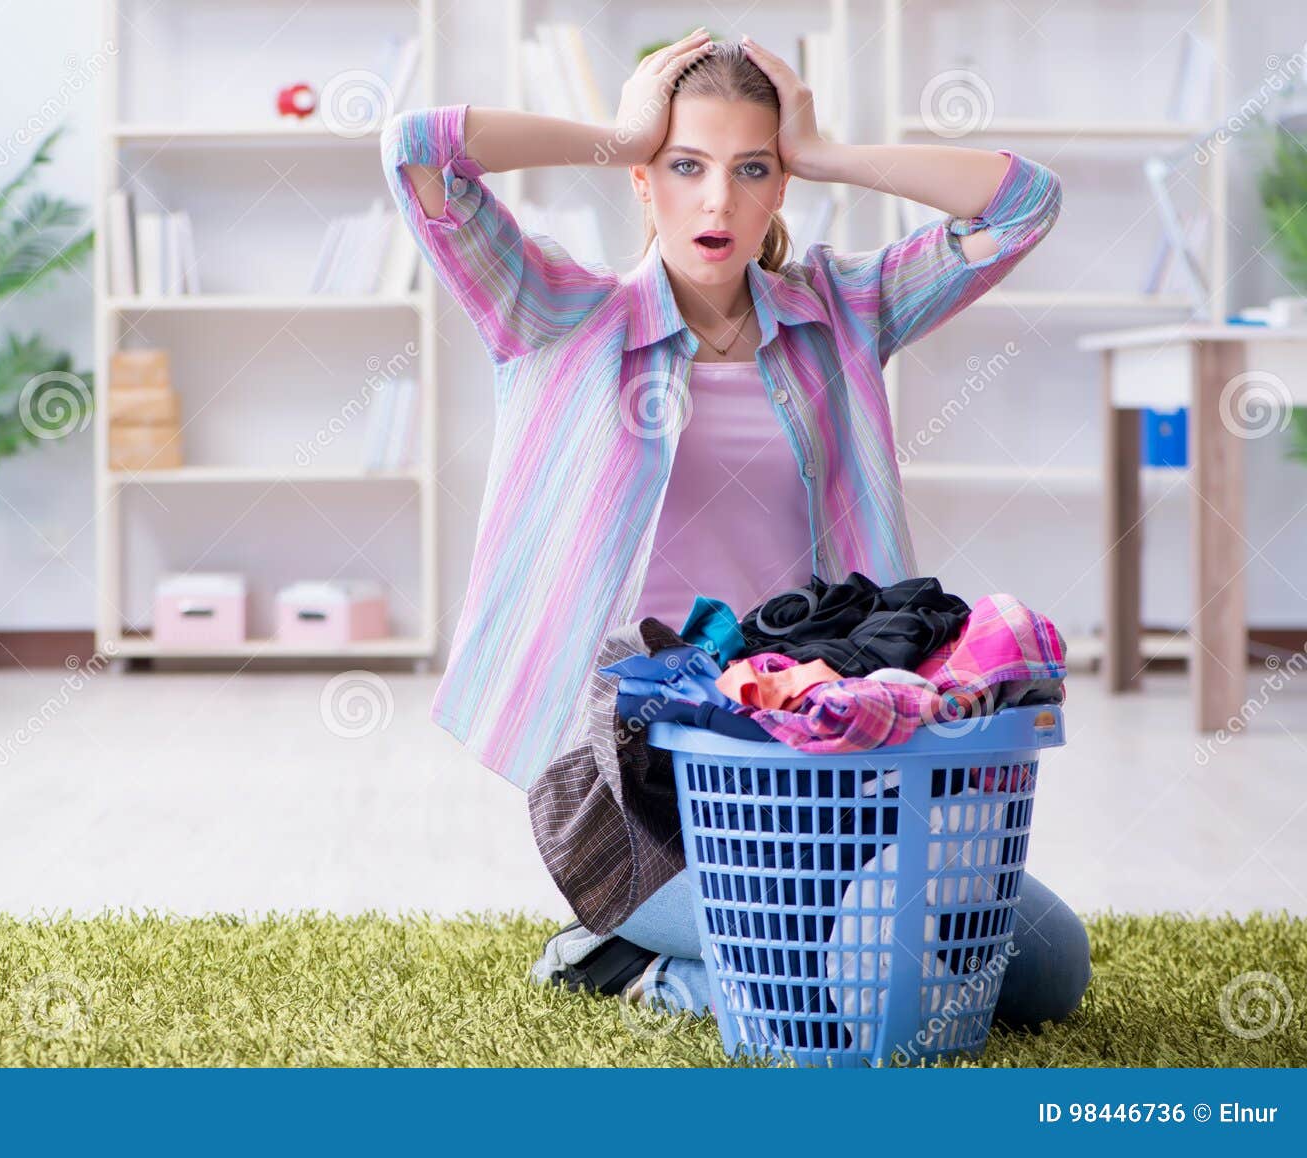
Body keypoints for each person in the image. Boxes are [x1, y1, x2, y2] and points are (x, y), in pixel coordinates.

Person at [380, 30, 1090, 1032]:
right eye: (684, 165)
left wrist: (827, 150)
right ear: (643, 181)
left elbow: (1025, 206)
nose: (717, 201)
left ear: (779, 186)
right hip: (648, 768)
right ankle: (630, 960)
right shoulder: (556, 318)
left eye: (750, 169)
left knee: (1047, 969)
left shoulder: (842, 312)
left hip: (824, 738)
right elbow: (416, 151)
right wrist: (615, 128)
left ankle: (715, 958)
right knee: (860, 974)